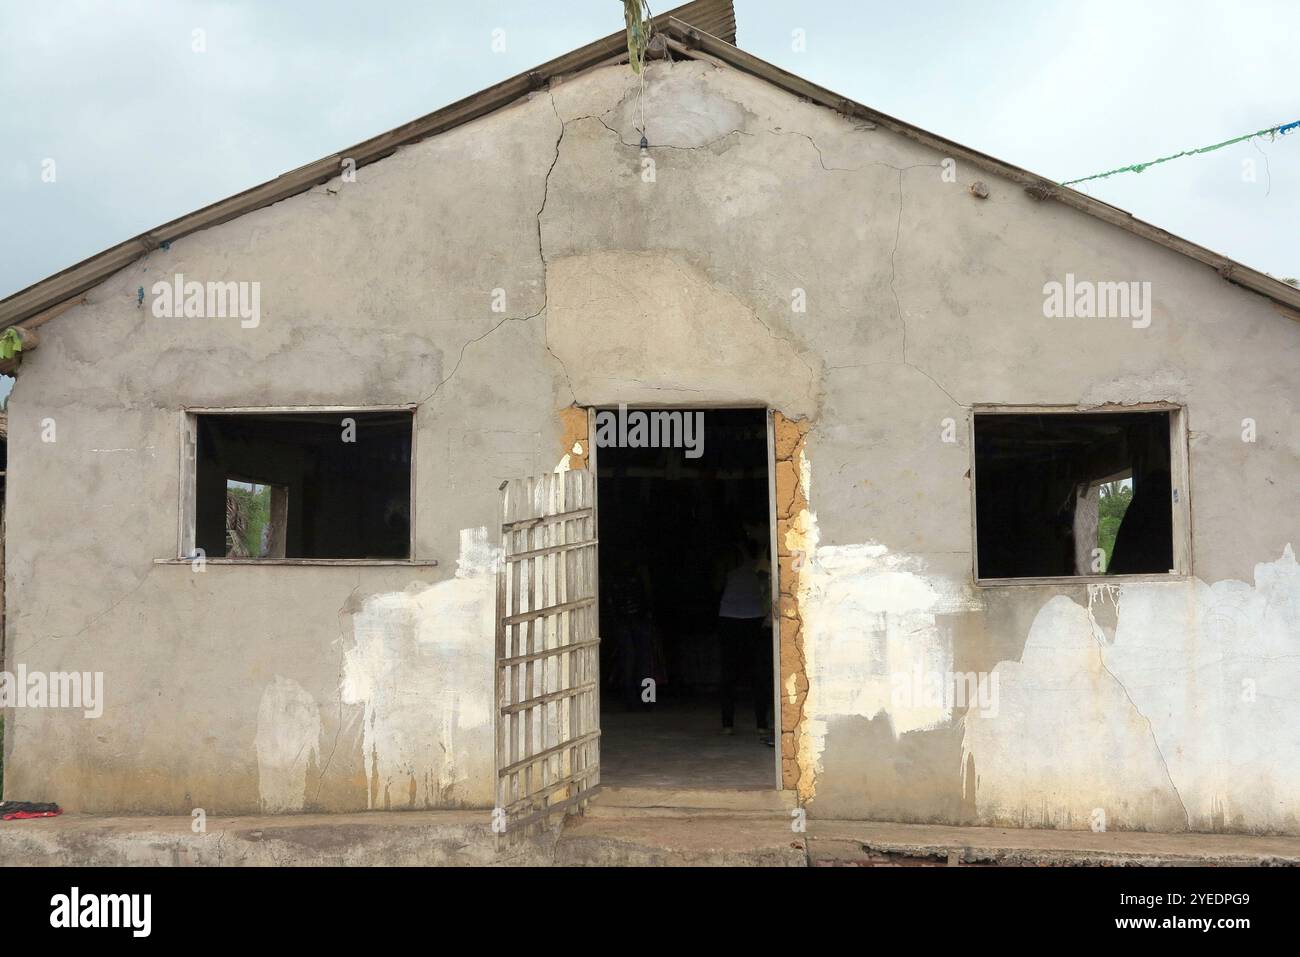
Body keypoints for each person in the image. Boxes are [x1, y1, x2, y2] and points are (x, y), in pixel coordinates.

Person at [716, 536, 774, 743]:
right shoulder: (765, 550)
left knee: (729, 673)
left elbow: (717, 583)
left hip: (731, 618)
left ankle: (728, 725)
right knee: (759, 674)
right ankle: (760, 725)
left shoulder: (730, 556)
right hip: (755, 618)